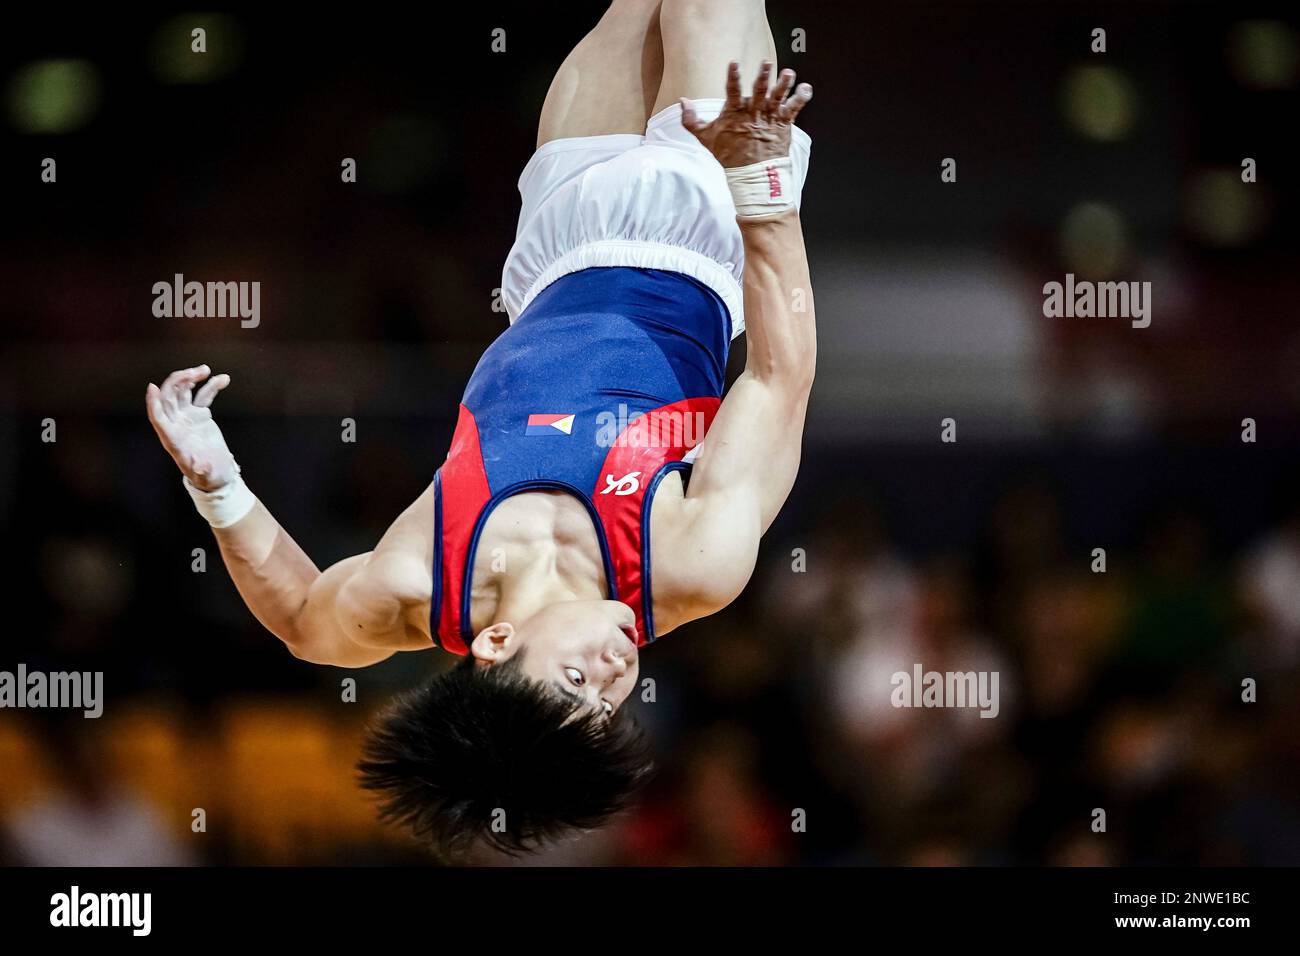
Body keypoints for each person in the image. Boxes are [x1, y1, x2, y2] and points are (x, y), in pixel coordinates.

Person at [145, 0, 814, 857]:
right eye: (607, 706)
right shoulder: (687, 567)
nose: (612, 679)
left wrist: (220, 488)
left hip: (558, 229)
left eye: (573, 682)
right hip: (709, 219)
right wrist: (761, 188)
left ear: (494, 645)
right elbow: (779, 377)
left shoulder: (421, 581)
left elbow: (303, 623)